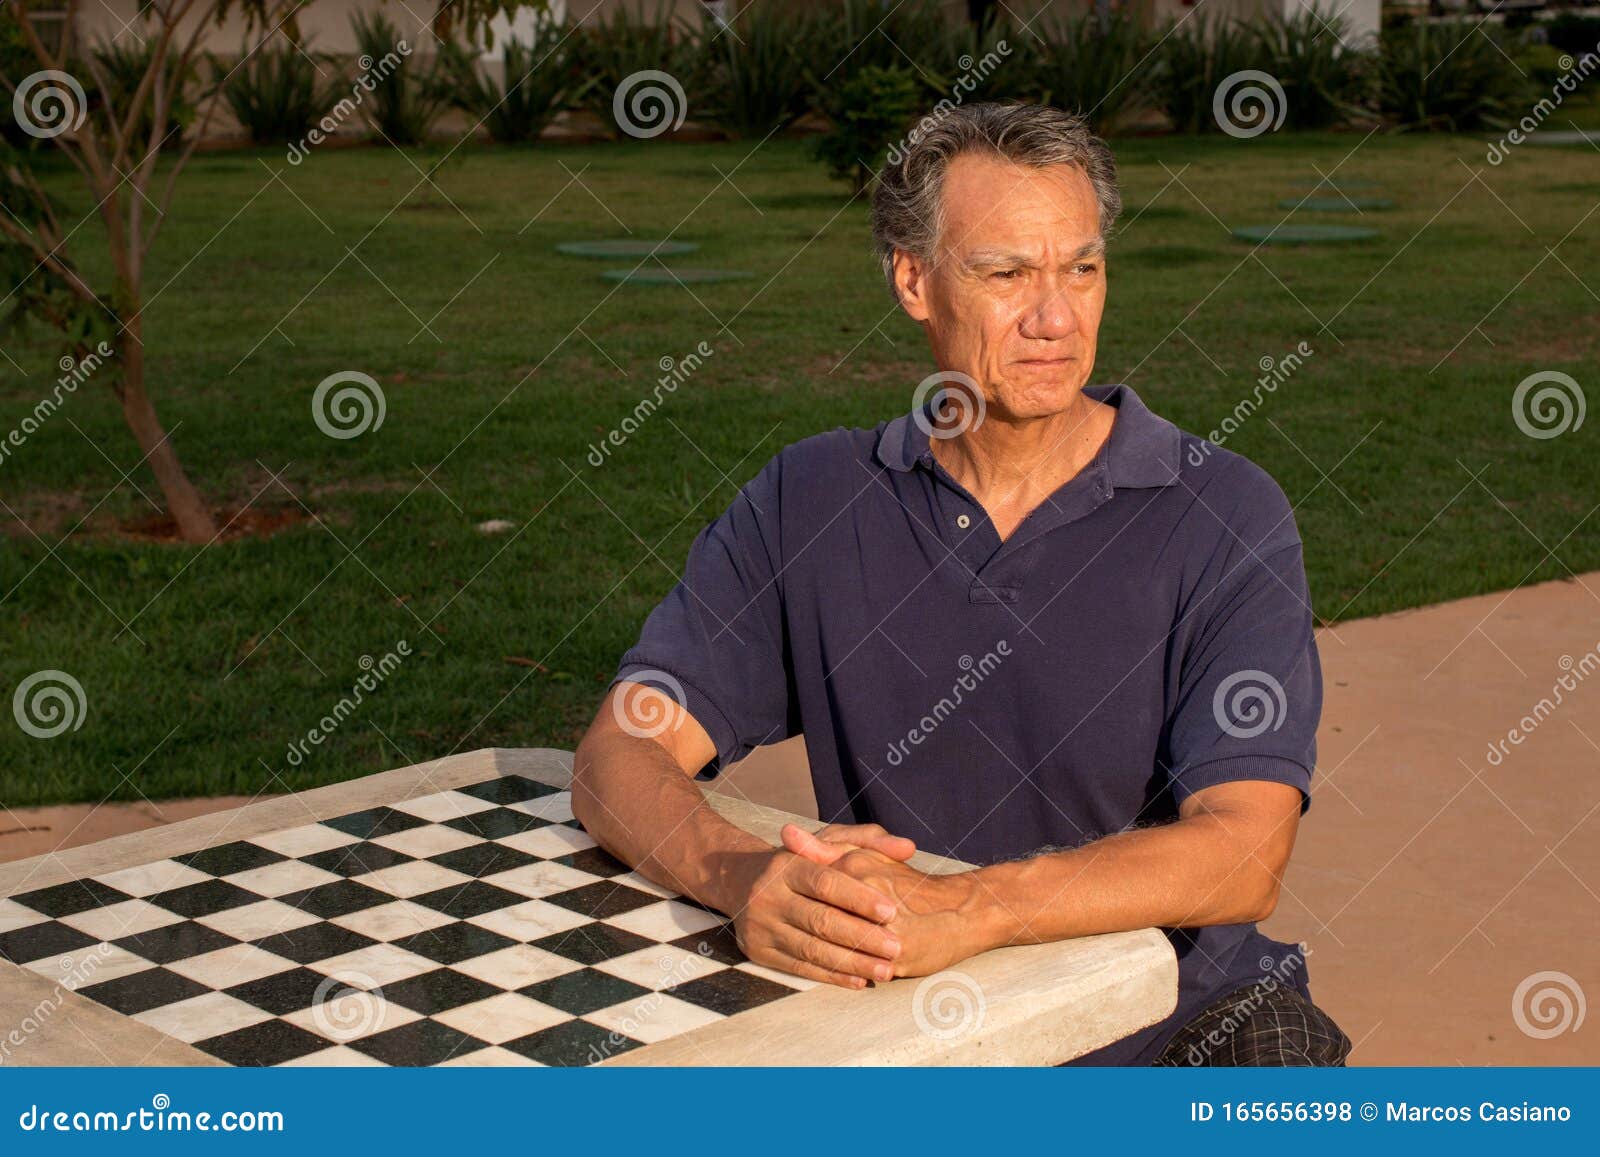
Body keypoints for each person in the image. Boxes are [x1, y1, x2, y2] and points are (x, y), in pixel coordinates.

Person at [572, 102, 1351, 1066]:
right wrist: (739, 877)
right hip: (915, 1031)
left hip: (1185, 1022)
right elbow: (617, 753)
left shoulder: (1224, 510)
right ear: (914, 280)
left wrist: (972, 907)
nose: (1056, 317)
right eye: (1007, 273)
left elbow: (1242, 850)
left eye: (1082, 266)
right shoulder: (811, 498)